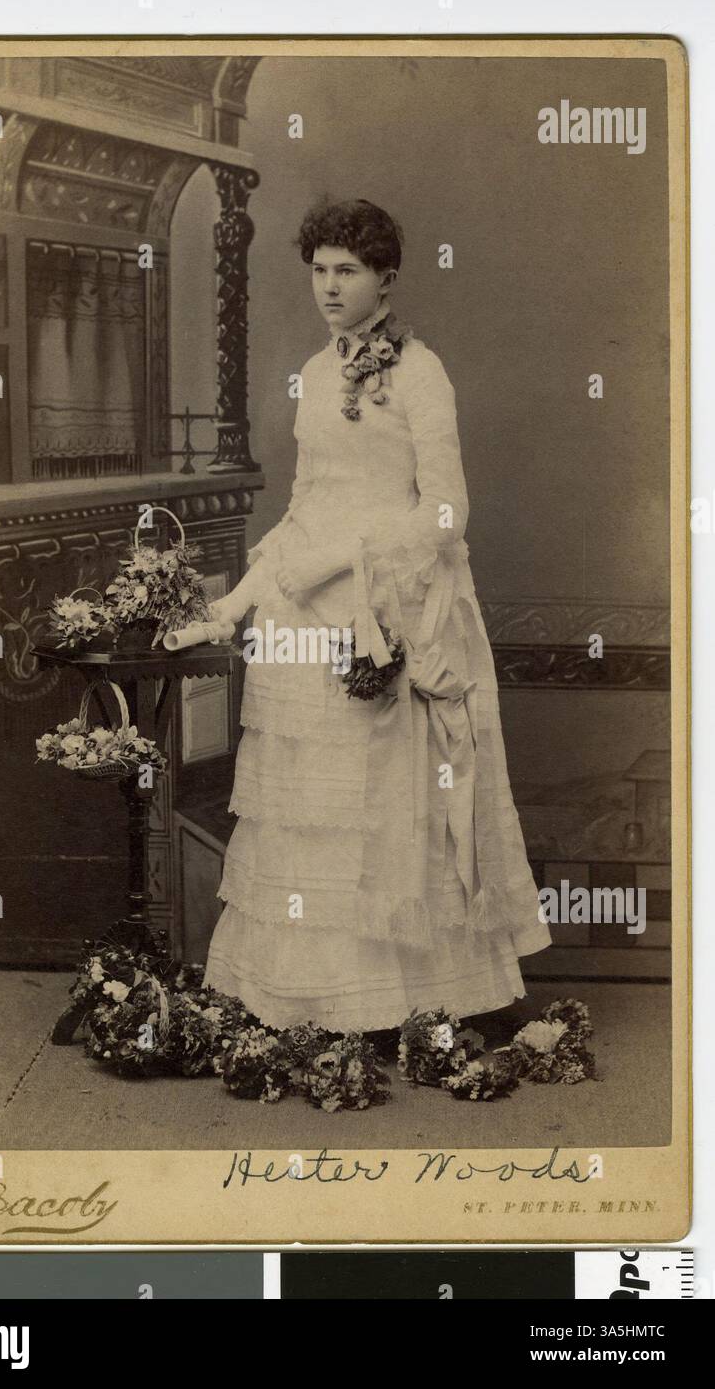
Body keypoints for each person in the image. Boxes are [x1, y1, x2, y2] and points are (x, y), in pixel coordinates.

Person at [203, 197, 551, 1035]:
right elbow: (302, 501)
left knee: (385, 807)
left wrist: (345, 558)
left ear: (385, 278)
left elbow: (446, 513)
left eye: (346, 272)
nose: (328, 287)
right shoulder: (317, 373)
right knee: (310, 810)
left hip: (389, 609)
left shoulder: (420, 372)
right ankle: (311, 1002)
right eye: (319, 270)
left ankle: (411, 1004)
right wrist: (237, 602)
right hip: (305, 615)